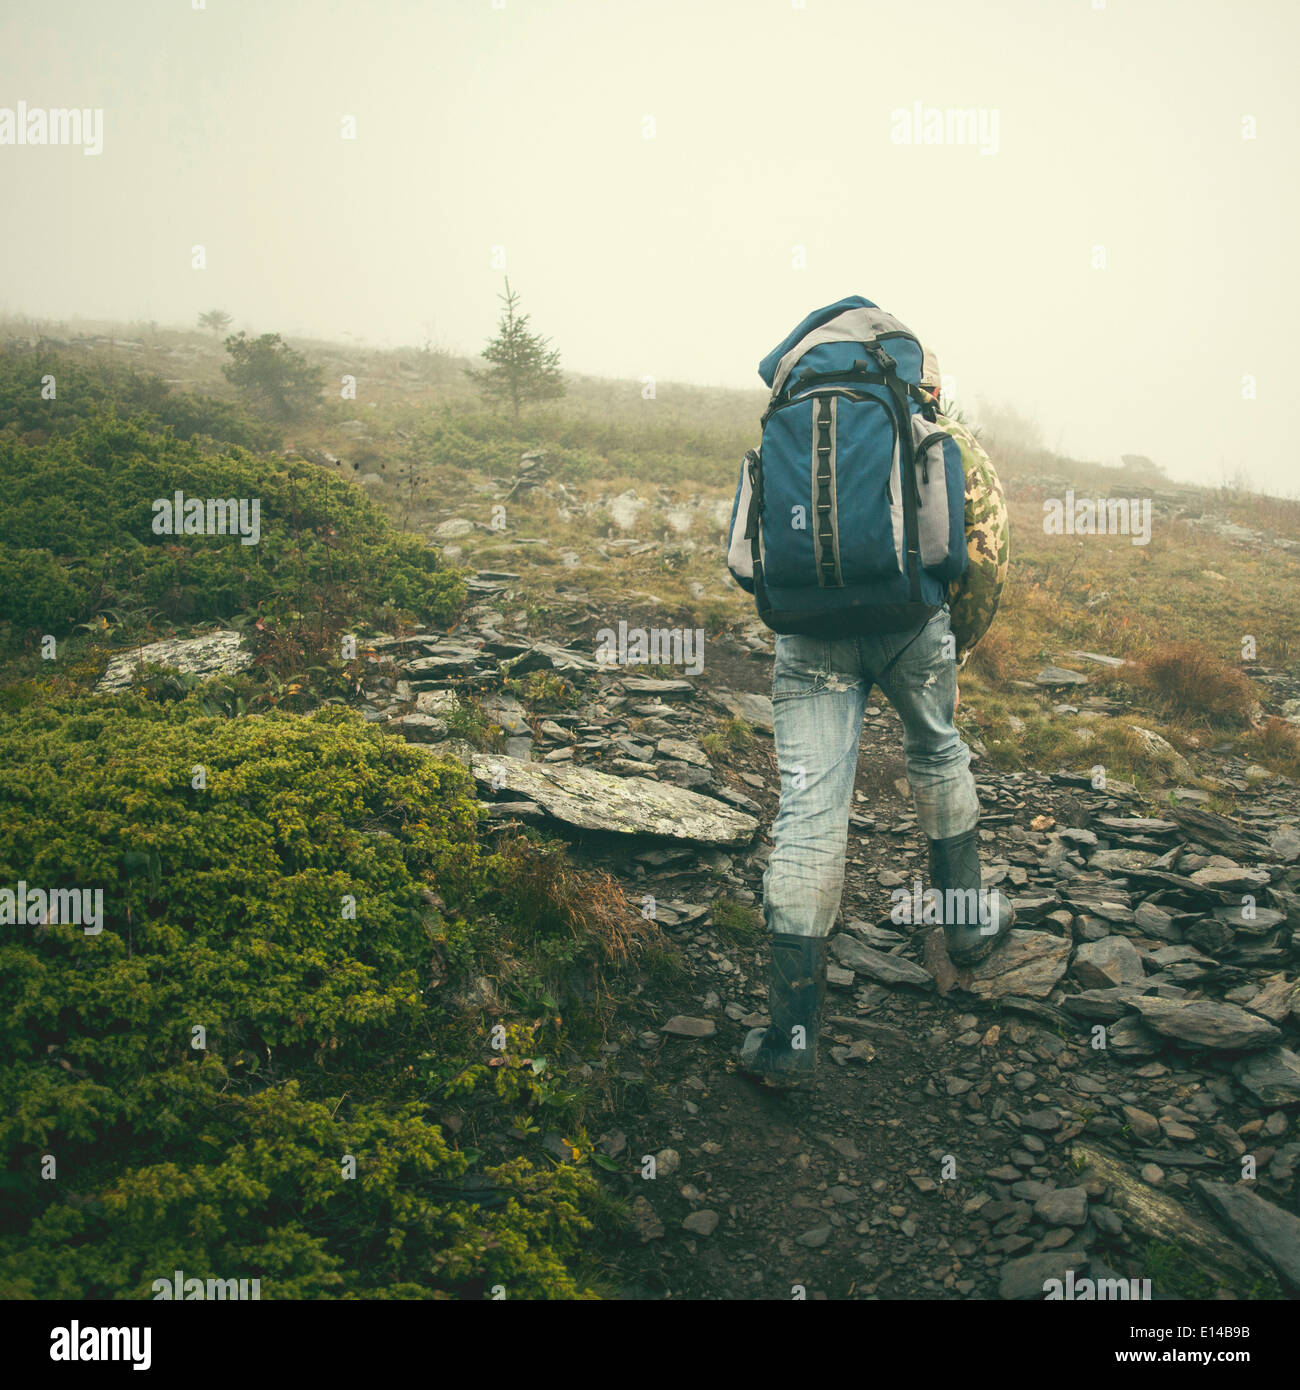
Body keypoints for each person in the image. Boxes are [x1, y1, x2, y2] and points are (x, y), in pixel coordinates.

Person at [738, 347, 1013, 1089]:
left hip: (809, 633)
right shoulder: (925, 419)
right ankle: (965, 928)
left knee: (808, 813)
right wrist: (956, 635)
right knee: (938, 752)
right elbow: (976, 545)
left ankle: (791, 1041)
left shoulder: (785, 412)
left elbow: (743, 557)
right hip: (912, 620)